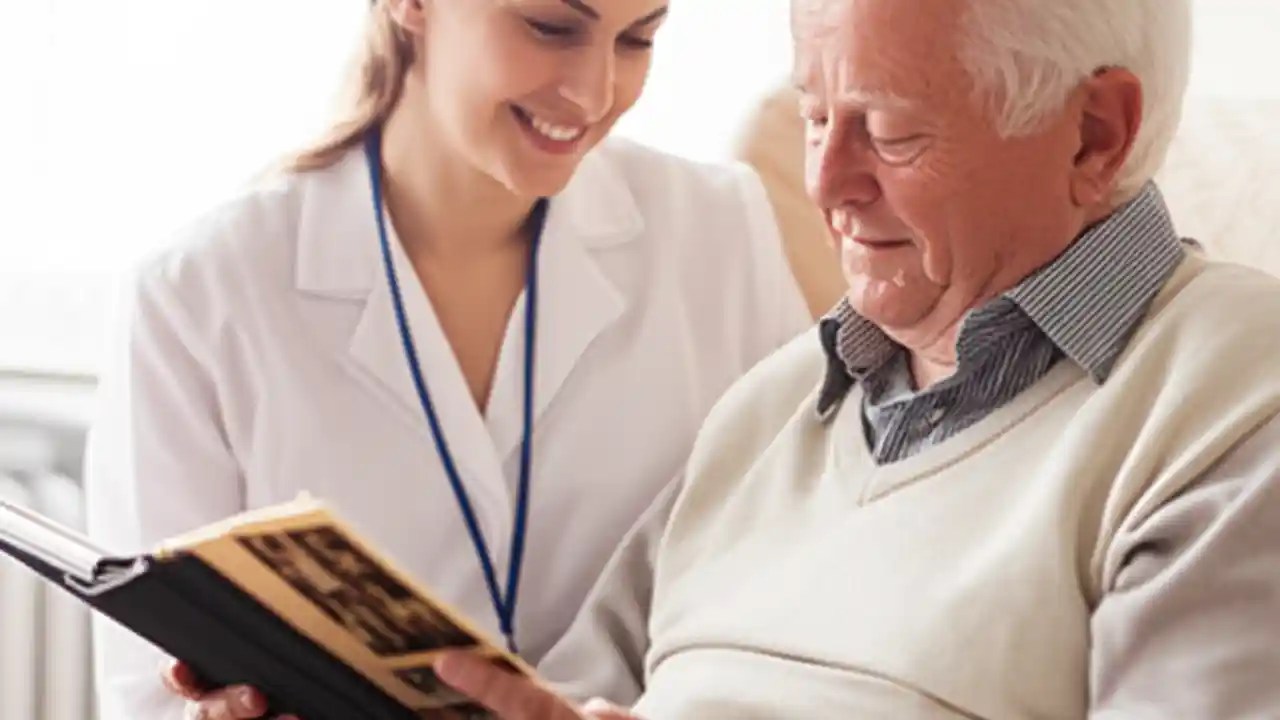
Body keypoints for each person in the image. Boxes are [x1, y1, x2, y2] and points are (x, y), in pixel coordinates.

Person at [426, 0, 1280, 717]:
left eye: (892, 131)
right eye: (815, 120)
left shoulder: (1235, 407)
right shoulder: (773, 404)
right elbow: (564, 696)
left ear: (1094, 137)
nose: (826, 185)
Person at [83, 0, 820, 717]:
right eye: (550, 28)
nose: (595, 94)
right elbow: (151, 691)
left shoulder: (721, 230)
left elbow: (802, 589)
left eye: (637, 40)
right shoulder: (196, 297)